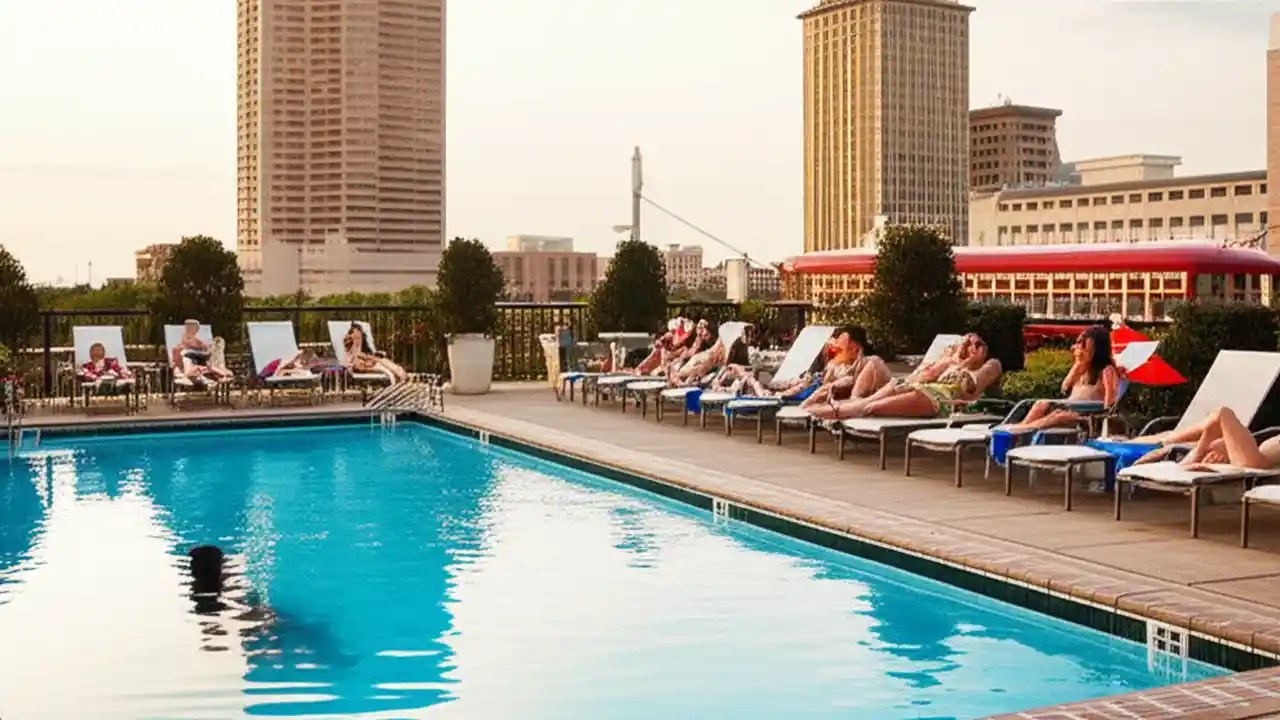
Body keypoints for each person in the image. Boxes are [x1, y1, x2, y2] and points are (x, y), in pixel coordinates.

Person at [811, 333, 1002, 420]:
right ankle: (815, 411)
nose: (971, 346)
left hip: (937, 399)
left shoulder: (991, 365)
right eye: (967, 342)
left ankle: (820, 413)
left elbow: (971, 387)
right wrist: (950, 360)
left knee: (869, 407)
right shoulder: (948, 360)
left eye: (977, 343)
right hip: (912, 386)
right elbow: (923, 375)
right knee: (865, 403)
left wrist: (967, 363)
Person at [1001, 325, 1122, 433]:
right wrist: (1076, 368)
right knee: (1041, 404)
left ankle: (1021, 430)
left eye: (1084, 346)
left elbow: (1110, 402)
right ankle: (1020, 427)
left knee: (1057, 417)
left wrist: (1103, 423)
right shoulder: (1081, 369)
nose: (1078, 349)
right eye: (1079, 344)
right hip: (1071, 409)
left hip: (1088, 416)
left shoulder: (1106, 370)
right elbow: (1064, 389)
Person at [800, 325, 891, 410]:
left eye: (841, 342)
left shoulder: (869, 363)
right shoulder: (838, 366)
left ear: (854, 348)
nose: (836, 345)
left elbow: (851, 389)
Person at [1175, 406, 1280, 471]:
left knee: (1223, 413)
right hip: (1253, 459)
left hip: (1255, 462)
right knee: (1220, 417)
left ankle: (1193, 456)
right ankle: (1191, 454)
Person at [342, 323, 407, 383]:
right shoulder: (350, 346)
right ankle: (400, 374)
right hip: (362, 364)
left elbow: (361, 354)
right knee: (384, 364)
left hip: (367, 362)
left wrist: (373, 356)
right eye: (357, 337)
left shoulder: (357, 343)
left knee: (383, 362)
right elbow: (355, 358)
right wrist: (370, 358)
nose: (358, 339)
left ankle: (400, 374)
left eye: (359, 337)